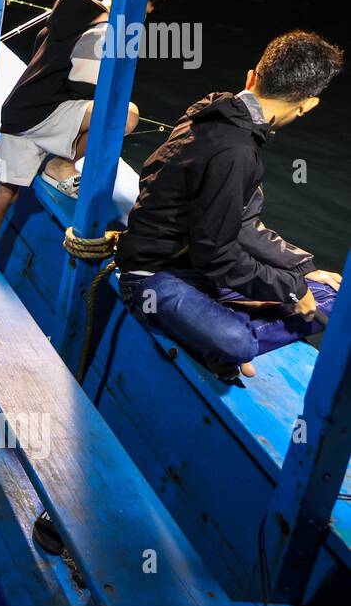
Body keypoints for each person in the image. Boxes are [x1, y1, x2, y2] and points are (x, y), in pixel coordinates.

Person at [115, 30, 343, 380]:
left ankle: (224, 316)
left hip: (194, 267)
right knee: (238, 343)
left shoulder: (213, 109)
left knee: (328, 292)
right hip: (154, 280)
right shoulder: (237, 152)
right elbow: (215, 254)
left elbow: (245, 224)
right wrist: (290, 289)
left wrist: (301, 268)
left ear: (252, 76)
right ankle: (224, 330)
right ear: (308, 104)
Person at [0, 0, 169, 252]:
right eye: (143, 12)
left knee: (5, 194)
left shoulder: (76, 10)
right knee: (125, 114)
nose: (141, 21)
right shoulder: (105, 33)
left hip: (20, 112)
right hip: (44, 117)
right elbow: (87, 91)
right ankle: (61, 164)